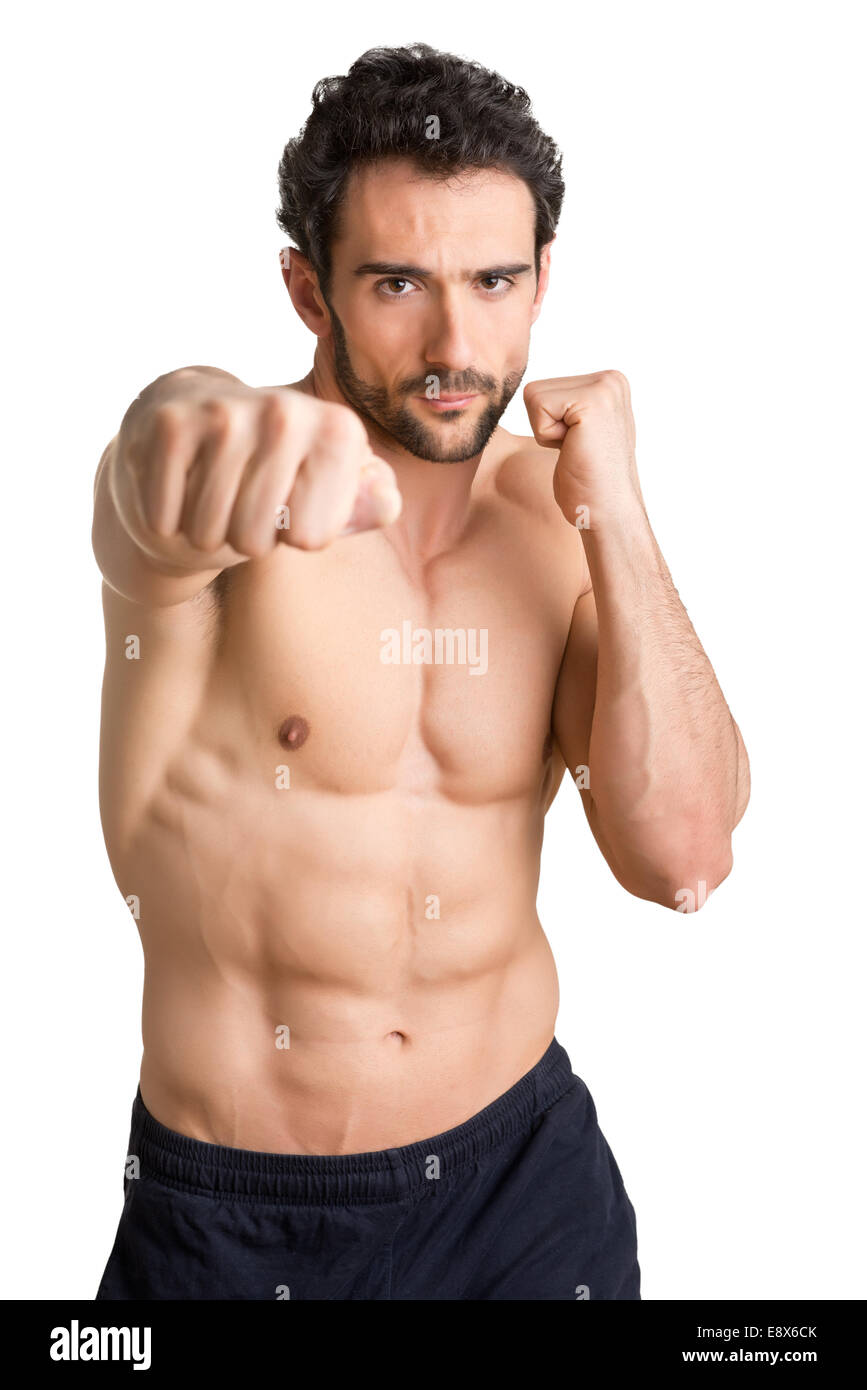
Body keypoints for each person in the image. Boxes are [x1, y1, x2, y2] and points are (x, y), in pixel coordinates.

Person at [92, 43, 749, 1301]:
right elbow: (155, 483)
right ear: (307, 288)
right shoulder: (241, 495)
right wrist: (182, 423)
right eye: (398, 282)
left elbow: (685, 857)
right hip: (239, 1222)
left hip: (523, 1184)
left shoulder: (561, 524)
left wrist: (619, 507)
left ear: (544, 278)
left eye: (496, 280)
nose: (457, 341)